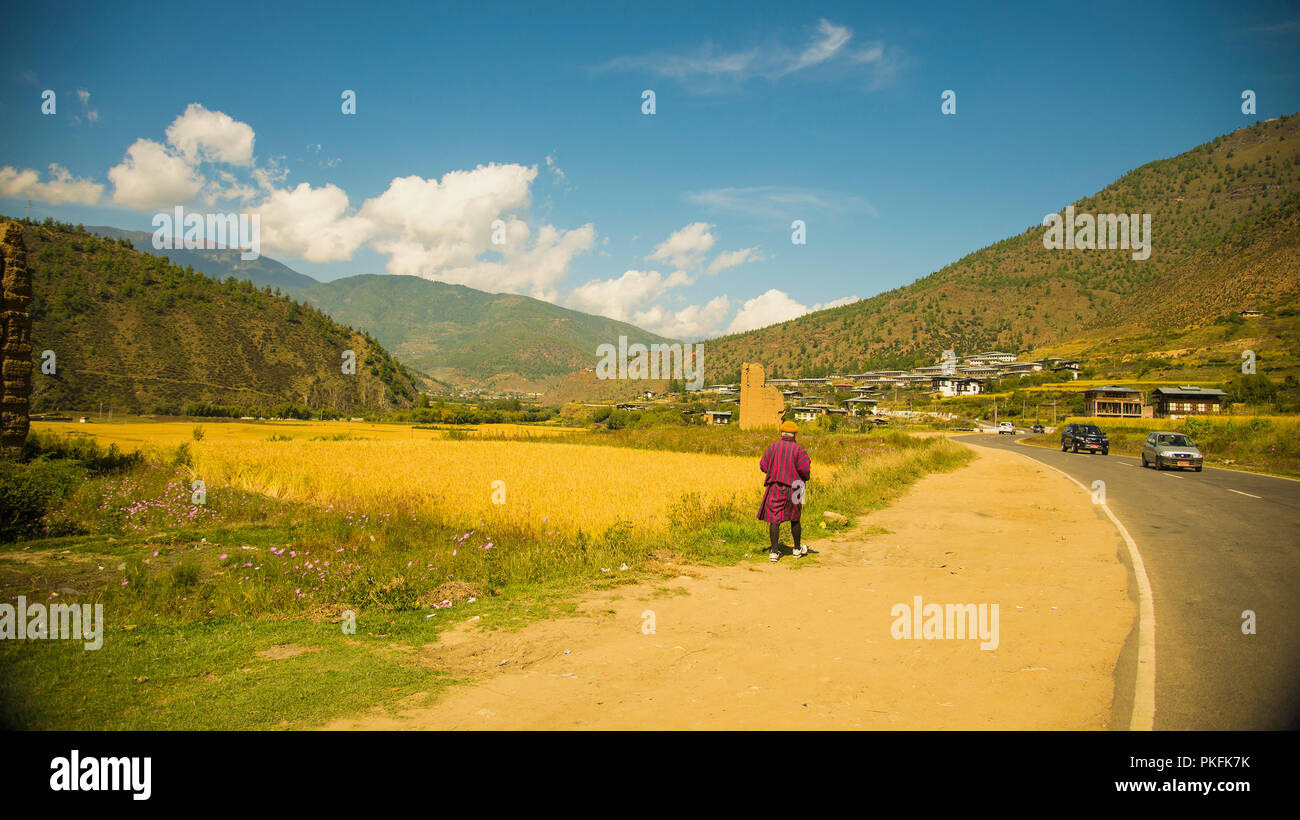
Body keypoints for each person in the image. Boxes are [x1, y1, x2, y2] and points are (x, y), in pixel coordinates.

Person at [758, 420, 812, 562]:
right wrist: (804, 478)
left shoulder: (773, 447)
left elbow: (763, 465)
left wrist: (774, 470)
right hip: (797, 487)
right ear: (794, 435)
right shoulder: (799, 449)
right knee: (795, 518)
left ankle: (774, 552)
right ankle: (796, 549)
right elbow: (805, 470)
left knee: (774, 519)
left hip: (776, 485)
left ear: (781, 433)